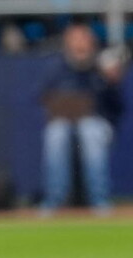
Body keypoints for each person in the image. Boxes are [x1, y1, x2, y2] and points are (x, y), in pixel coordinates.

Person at [39, 23, 125, 216]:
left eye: (83, 38)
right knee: (56, 134)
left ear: (91, 41)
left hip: (97, 123)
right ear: (67, 42)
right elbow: (43, 96)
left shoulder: (102, 65)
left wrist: (112, 81)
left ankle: (99, 200)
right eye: (75, 38)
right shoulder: (56, 67)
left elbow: (118, 106)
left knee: (89, 131)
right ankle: (54, 200)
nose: (79, 43)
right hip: (63, 121)